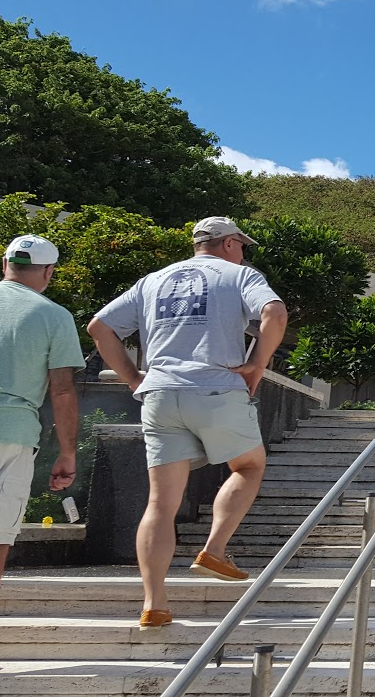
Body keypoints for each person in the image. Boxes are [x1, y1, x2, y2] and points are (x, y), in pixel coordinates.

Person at [87, 217, 288, 629]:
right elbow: (275, 312)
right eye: (242, 245)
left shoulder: (152, 281)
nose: (243, 252)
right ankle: (214, 549)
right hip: (216, 387)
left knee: (160, 504)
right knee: (248, 465)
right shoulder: (239, 275)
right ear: (229, 243)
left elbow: (99, 327)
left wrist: (133, 377)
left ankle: (154, 604)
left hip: (160, 394)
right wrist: (257, 363)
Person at [0, 236, 83, 672]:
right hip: (7, 432)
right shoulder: (54, 315)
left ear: (4, 262)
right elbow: (62, 390)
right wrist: (67, 453)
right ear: (48, 272)